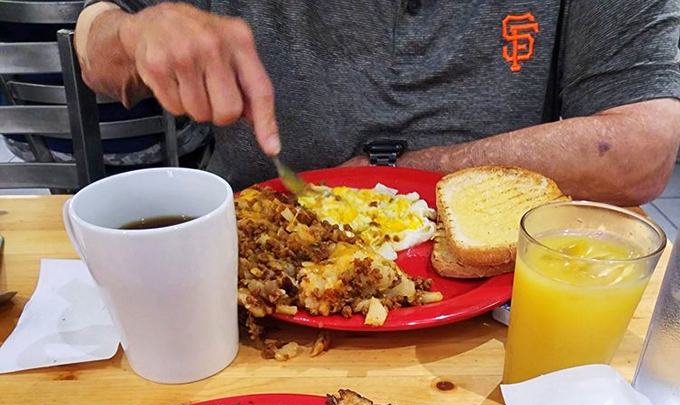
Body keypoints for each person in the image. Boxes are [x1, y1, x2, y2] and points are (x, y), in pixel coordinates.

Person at [75, 0, 680, 202]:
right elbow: (94, 45)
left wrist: (392, 180)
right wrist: (135, 33)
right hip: (242, 279)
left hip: (503, 294)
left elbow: (642, 146)